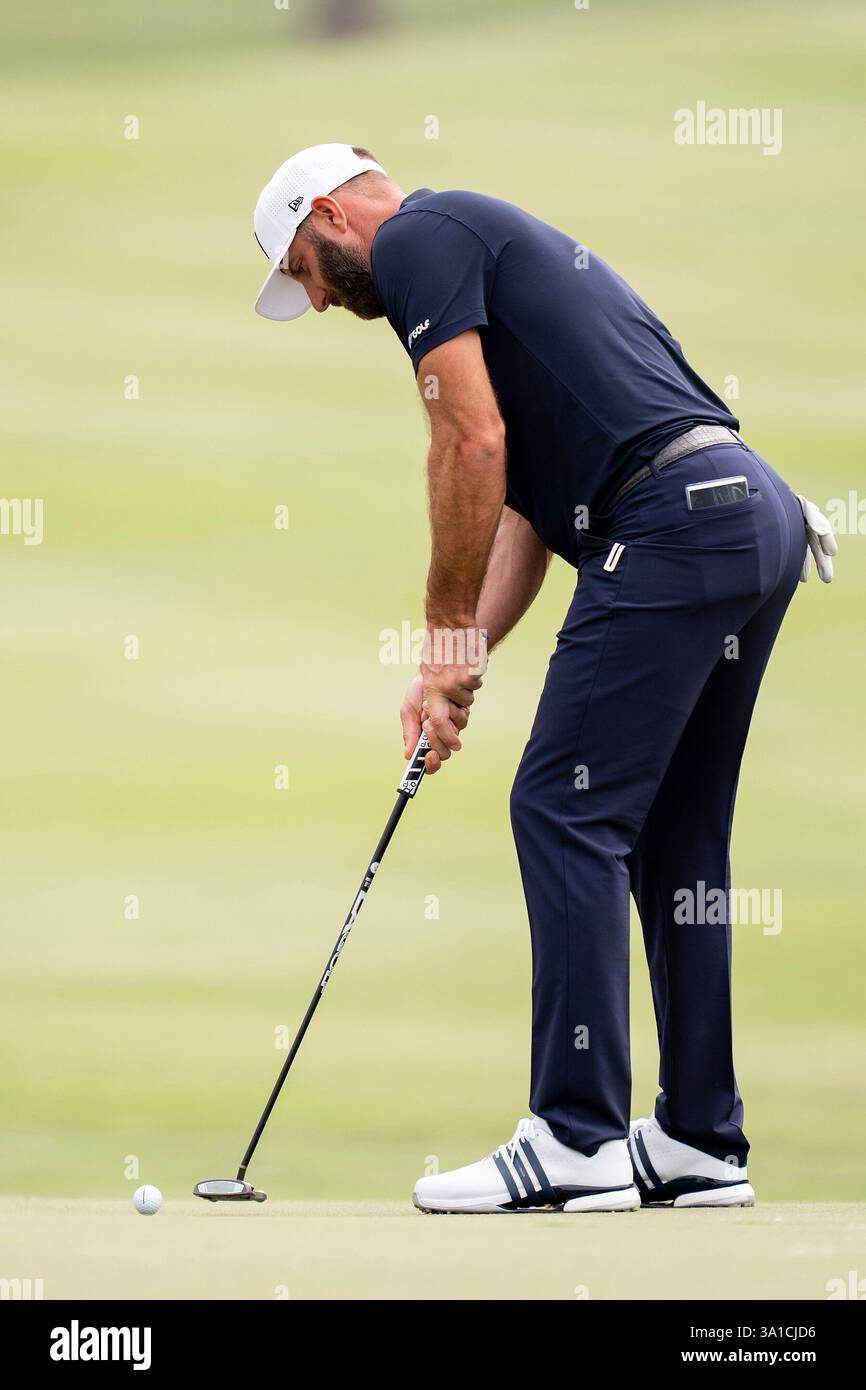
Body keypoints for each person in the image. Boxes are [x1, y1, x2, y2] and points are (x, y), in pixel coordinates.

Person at [252, 143, 837, 1213]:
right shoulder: (486, 250)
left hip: (672, 522)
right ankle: (701, 1136)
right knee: (671, 831)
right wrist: (457, 668)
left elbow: (468, 443)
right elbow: (519, 502)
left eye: (302, 269)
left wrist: (434, 637)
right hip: (746, 517)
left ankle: (575, 1136)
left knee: (559, 808)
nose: (319, 302)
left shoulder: (423, 237)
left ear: (332, 215)